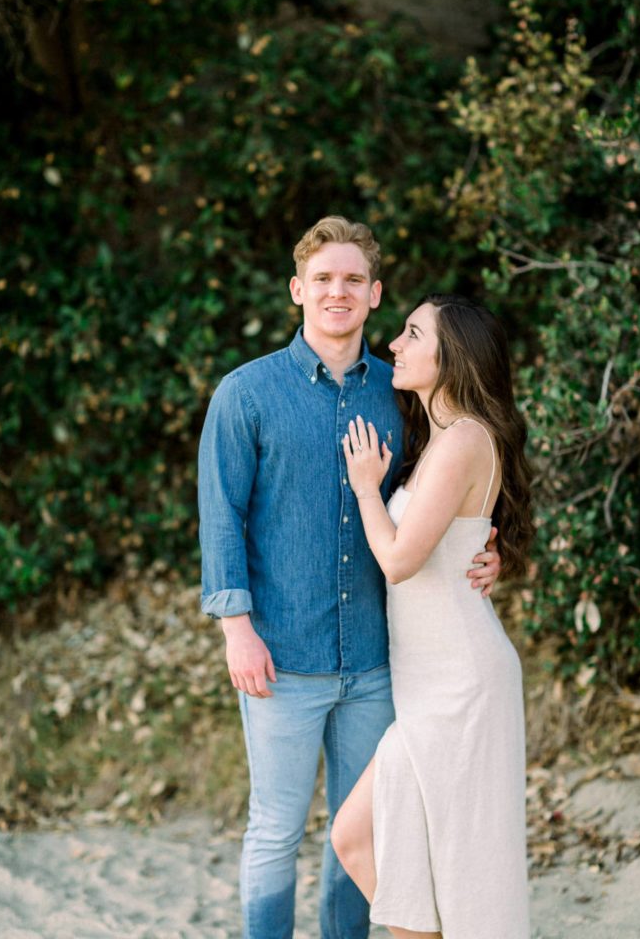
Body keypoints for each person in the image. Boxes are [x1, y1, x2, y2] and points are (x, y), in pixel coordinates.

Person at [197, 218, 502, 939]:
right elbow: (221, 517)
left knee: (361, 829)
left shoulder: (401, 395)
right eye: (324, 279)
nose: (339, 291)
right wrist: (236, 630)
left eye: (354, 280)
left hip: (376, 660)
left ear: (375, 295)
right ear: (298, 290)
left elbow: (460, 482)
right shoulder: (246, 394)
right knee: (274, 830)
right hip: (282, 655)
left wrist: (495, 550)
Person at [330, 294, 534, 939]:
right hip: (431, 692)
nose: (395, 343)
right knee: (366, 844)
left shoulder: (464, 439)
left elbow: (397, 561)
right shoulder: (446, 441)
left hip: (461, 688)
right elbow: (455, 543)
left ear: (452, 358)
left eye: (413, 334)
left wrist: (367, 487)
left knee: (449, 868)